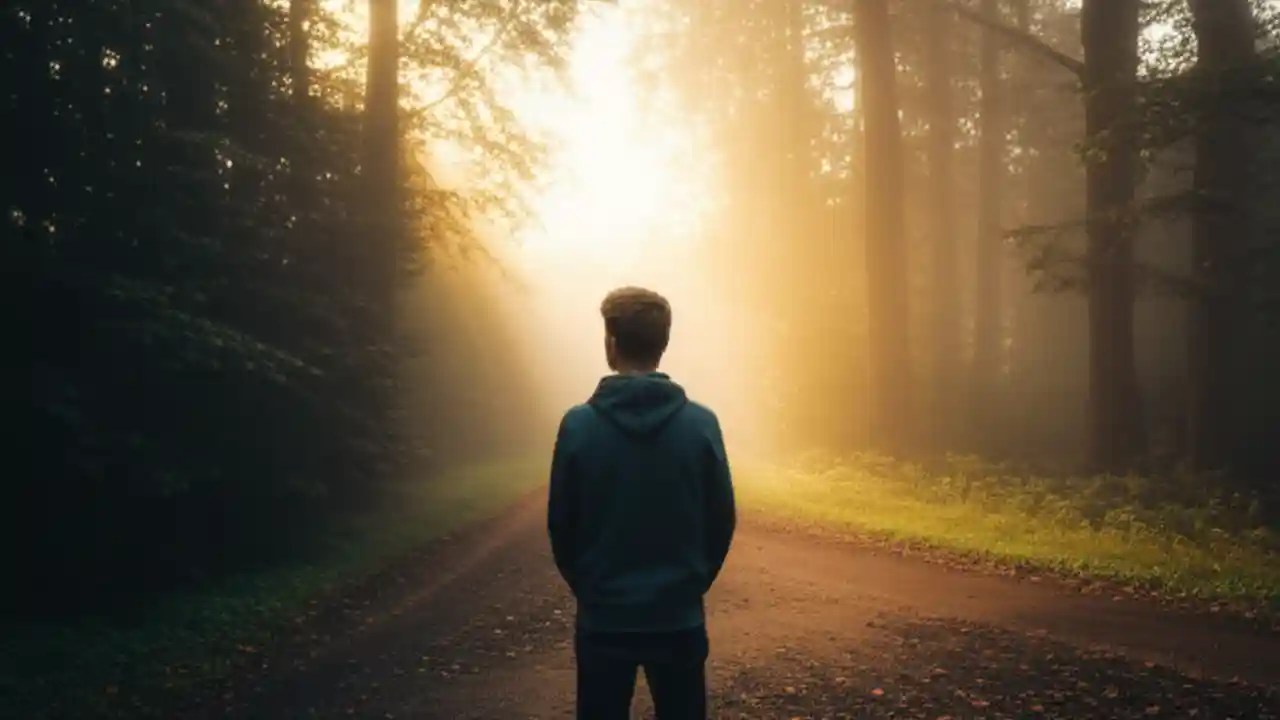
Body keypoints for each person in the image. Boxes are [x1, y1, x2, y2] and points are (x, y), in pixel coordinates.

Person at [547, 286, 736, 720]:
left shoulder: (578, 426)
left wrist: (590, 588)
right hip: (678, 617)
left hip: (603, 619)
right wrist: (691, 584)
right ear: (663, 343)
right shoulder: (701, 424)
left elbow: (561, 524)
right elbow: (721, 520)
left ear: (611, 343)